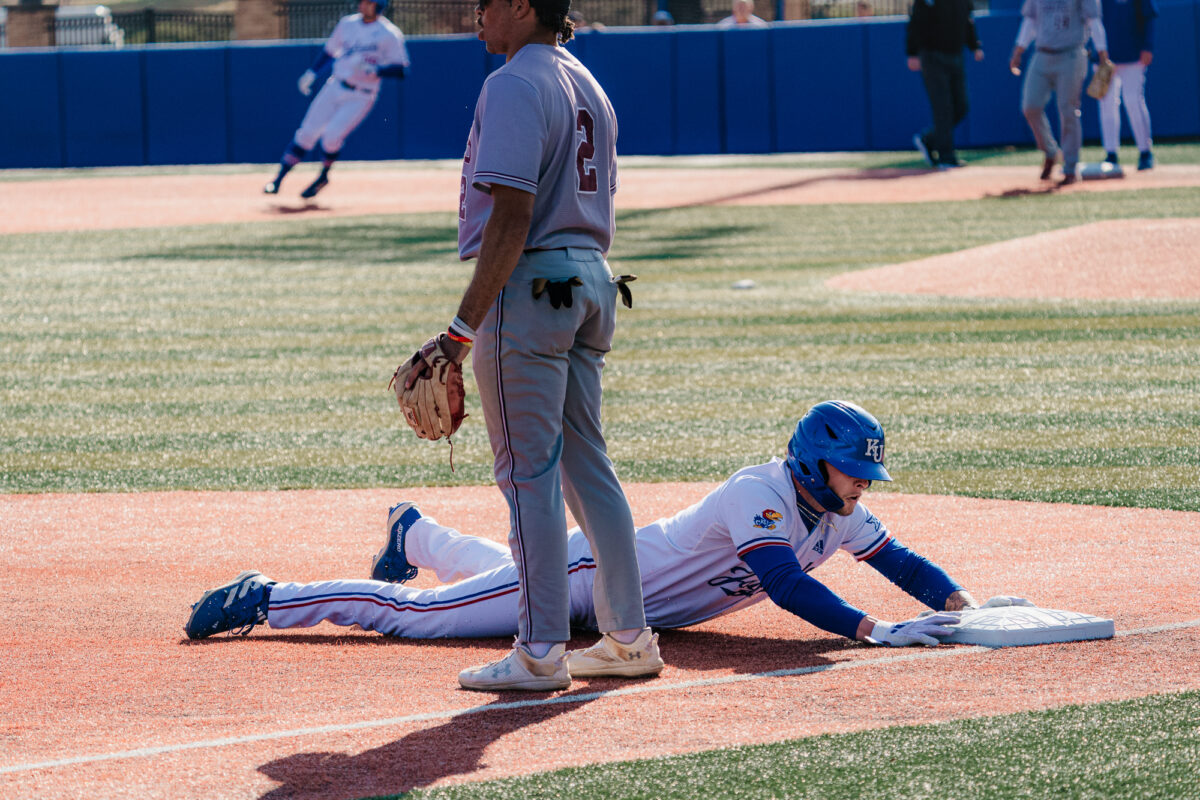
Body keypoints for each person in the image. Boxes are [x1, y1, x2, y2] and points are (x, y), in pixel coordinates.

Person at [186, 402, 1024, 675]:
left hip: (619, 599)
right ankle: (272, 595)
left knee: (503, 575)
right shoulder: (760, 494)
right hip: (595, 581)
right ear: (816, 463)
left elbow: (900, 560)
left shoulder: (838, 511)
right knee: (426, 620)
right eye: (856, 474)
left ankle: (416, 531)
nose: (863, 489)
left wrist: (961, 606)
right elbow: (787, 586)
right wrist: (874, 633)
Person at [393, 0, 657, 691]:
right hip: (592, 278)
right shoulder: (587, 81)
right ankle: (629, 638)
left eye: (485, 2)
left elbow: (510, 216)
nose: (473, 12)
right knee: (586, 467)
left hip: (533, 286)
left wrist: (458, 332)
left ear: (519, 6)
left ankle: (541, 650)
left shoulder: (512, 82)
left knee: (527, 476)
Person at [262, 0, 410, 199]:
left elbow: (401, 69)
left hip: (361, 94)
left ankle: (323, 175)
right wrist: (312, 73)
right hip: (335, 85)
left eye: (369, 2)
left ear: (379, 5)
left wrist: (376, 70)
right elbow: (330, 52)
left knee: (331, 137)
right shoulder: (347, 24)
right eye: (362, 2)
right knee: (307, 133)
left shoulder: (389, 33)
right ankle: (277, 180)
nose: (363, 5)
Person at [1009, 0, 1110, 185]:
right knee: (1030, 107)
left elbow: (1093, 20)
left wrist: (1102, 52)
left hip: (1071, 54)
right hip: (1042, 54)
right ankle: (1050, 151)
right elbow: (1030, 20)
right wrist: (1019, 49)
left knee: (1068, 110)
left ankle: (1071, 167)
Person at [906, 0, 984, 170]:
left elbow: (967, 19)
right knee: (943, 108)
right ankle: (946, 157)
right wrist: (912, 52)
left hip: (955, 54)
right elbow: (916, 21)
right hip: (932, 56)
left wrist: (974, 45)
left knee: (961, 106)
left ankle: (929, 140)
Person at [1096, 0, 1158, 171]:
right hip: (1104, 57)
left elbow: (1149, 15)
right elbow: (1088, 19)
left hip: (1133, 55)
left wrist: (1148, 46)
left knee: (1133, 101)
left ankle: (1145, 152)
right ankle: (1111, 153)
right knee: (1106, 103)